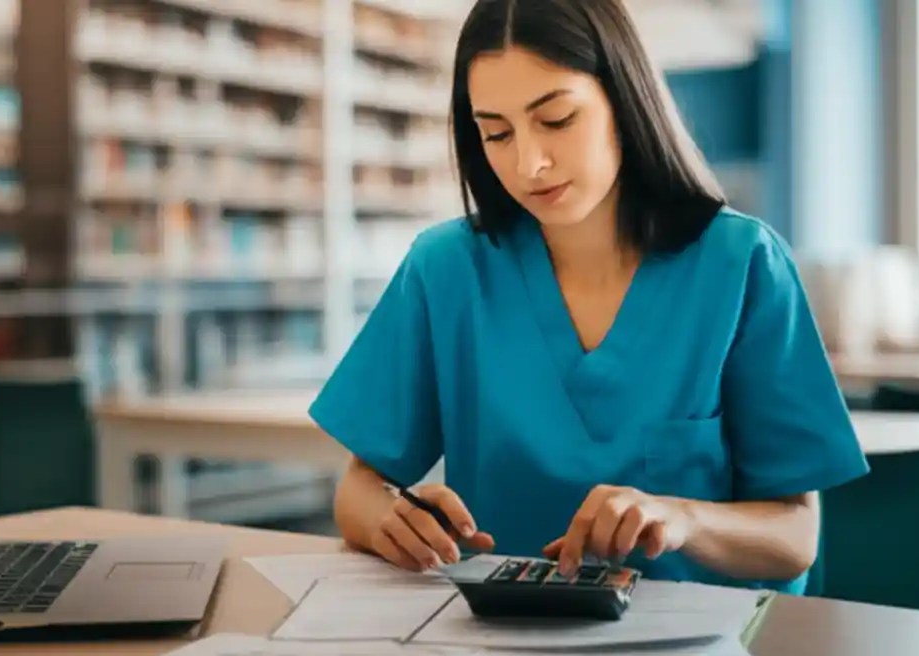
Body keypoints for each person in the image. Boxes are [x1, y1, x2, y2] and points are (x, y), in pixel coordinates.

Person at [309, 0, 868, 595]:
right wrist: (391, 519)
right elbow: (359, 485)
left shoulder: (742, 264)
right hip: (499, 651)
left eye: (556, 120)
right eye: (496, 132)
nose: (529, 162)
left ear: (623, 101)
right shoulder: (445, 270)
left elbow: (795, 536)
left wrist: (683, 518)